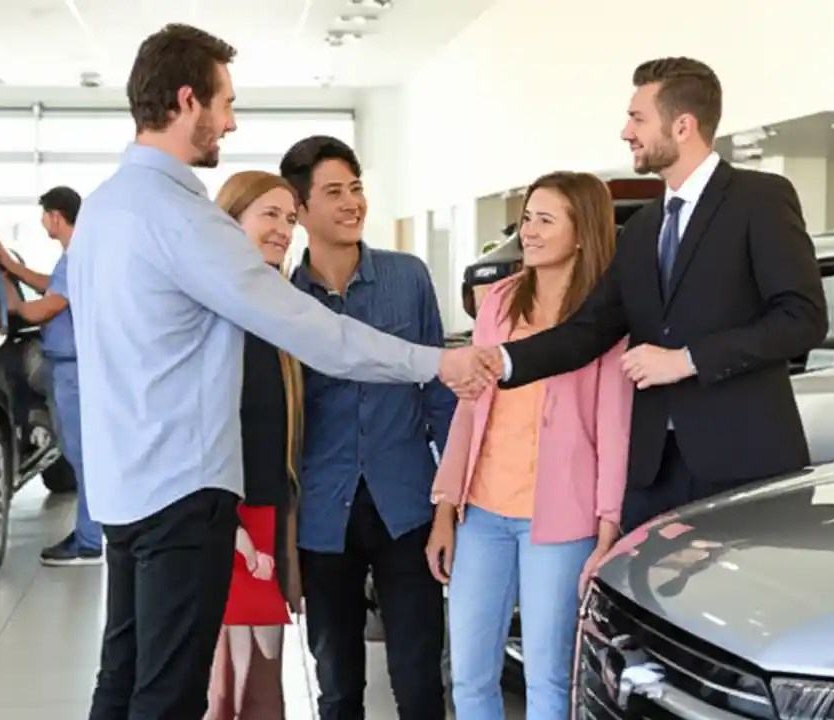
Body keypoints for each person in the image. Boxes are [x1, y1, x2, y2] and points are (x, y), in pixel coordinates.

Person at [63, 24, 495, 720]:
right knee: (168, 693)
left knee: (122, 677)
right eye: (225, 103)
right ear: (185, 100)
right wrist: (437, 362)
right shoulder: (187, 220)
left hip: (122, 491)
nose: (230, 123)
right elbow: (317, 334)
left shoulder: (106, 208)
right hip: (184, 491)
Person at [479, 57, 829, 531]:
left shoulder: (760, 198)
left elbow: (802, 318)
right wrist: (496, 362)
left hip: (743, 464)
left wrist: (687, 359)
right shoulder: (642, 227)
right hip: (652, 473)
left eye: (637, 118)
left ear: (682, 125)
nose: (626, 132)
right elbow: (591, 329)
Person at [426, 171, 633, 719]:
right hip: (483, 513)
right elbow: (470, 407)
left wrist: (608, 528)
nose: (531, 232)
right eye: (527, 219)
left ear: (583, 232)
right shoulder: (498, 300)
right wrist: (446, 508)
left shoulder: (605, 315)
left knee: (548, 677)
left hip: (561, 522)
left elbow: (615, 427)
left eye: (546, 219)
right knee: (470, 675)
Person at [280, 135, 455, 720]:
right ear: (300, 209)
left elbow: (439, 395)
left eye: (356, 189)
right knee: (337, 686)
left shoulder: (408, 278)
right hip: (323, 513)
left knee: (420, 679)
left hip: (407, 504)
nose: (352, 203)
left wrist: (451, 506)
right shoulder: (279, 299)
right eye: (333, 192)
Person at [204, 170, 306, 720]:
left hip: (267, 511)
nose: (284, 230)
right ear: (230, 219)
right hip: (228, 517)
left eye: (290, 219)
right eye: (269, 214)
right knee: (232, 685)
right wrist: (238, 532)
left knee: (259, 681)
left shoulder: (275, 306)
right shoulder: (211, 308)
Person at [0, 186, 103, 565]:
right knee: (77, 452)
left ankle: (88, 541)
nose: (42, 223)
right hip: (67, 366)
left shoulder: (80, 256)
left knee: (81, 455)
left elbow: (42, 309)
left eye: (44, 216)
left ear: (56, 215)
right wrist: (10, 265)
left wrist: (6, 296)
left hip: (74, 369)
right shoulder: (72, 256)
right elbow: (48, 285)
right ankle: (90, 535)